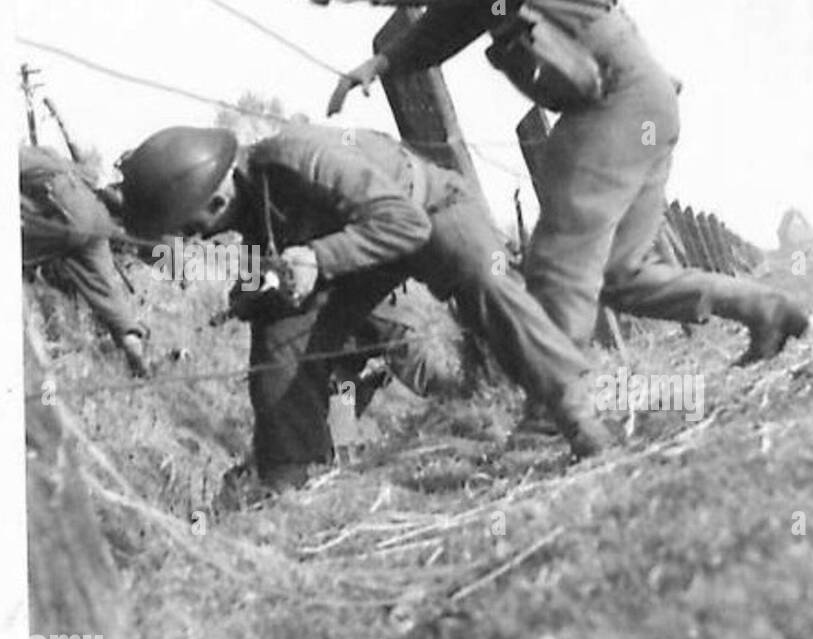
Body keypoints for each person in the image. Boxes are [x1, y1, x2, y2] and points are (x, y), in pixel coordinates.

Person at [307, 0, 810, 364]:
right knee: (620, 274)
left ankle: (558, 405)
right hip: (643, 103)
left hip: (616, 103)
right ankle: (766, 309)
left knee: (559, 260)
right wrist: (381, 65)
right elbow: (453, 18)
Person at [118, 121, 609, 491]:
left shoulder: (298, 158)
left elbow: (406, 224)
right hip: (357, 255)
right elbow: (261, 267)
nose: (191, 237)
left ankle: (573, 413)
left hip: (428, 210)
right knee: (277, 339)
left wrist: (316, 257)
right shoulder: (244, 206)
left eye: (188, 226)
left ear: (216, 198)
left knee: (487, 278)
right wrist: (253, 292)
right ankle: (291, 485)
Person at [20, 144, 149, 376]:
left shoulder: (19, 156)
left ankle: (37, 346)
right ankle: (133, 346)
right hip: (96, 217)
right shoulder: (53, 158)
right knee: (108, 292)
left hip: (65, 215)